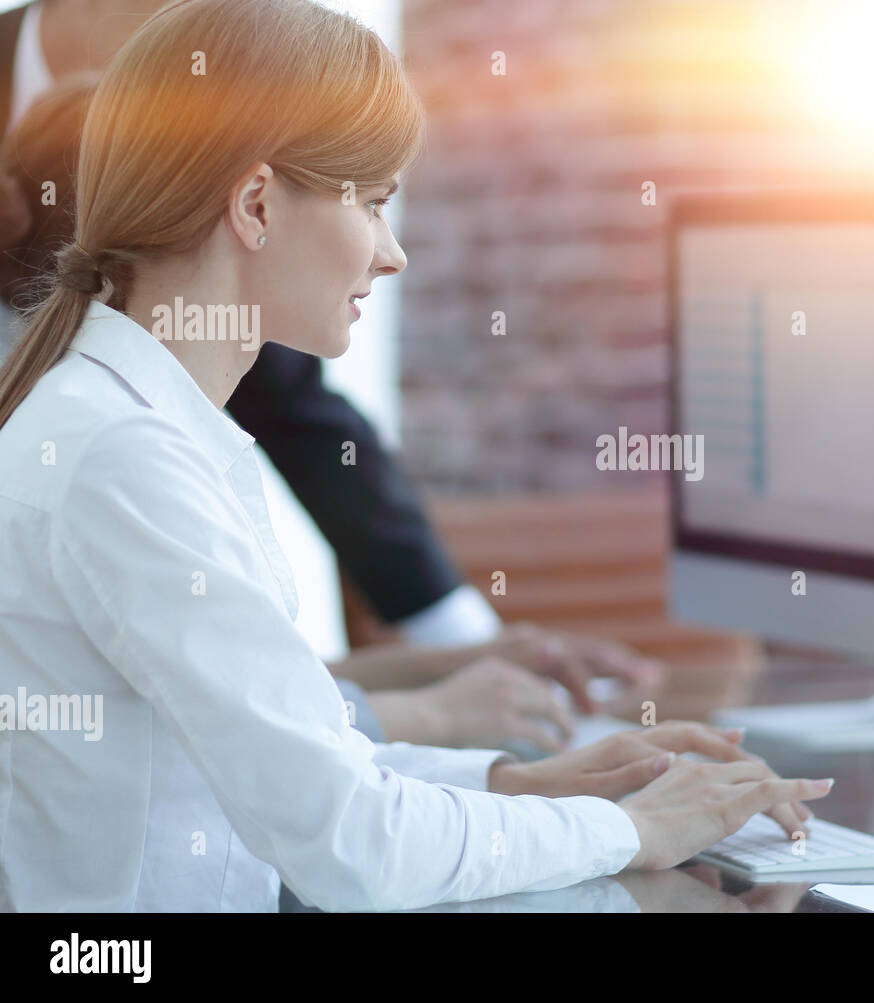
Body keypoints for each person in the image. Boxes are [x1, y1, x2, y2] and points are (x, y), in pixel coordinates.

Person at [0, 0, 830, 912]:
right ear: (256, 203)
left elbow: (309, 763)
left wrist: (527, 784)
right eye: (374, 203)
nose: (392, 255)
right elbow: (351, 846)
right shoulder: (128, 458)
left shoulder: (135, 425)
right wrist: (638, 827)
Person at [0, 0, 670, 755]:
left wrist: (463, 653)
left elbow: (233, 686)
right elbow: (285, 773)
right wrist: (601, 815)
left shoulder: (179, 395)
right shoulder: (120, 451)